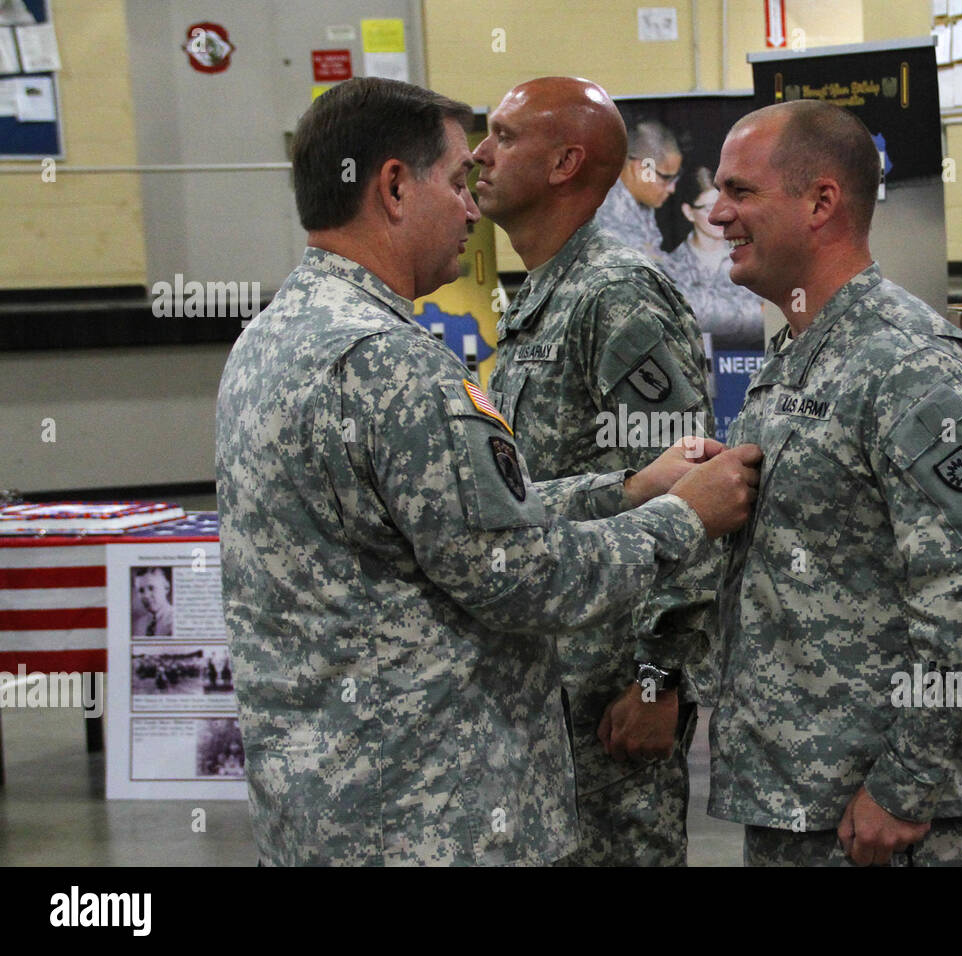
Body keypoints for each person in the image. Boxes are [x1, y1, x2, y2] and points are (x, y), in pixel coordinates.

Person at [215, 77, 760, 866]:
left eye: (498, 148)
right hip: (430, 803)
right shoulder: (393, 363)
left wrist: (631, 497)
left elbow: (457, 513)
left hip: (331, 790)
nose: (470, 201)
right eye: (455, 176)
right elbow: (513, 569)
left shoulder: (272, 337)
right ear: (394, 187)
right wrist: (681, 515)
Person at [705, 100, 962, 866]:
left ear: (822, 202)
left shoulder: (906, 362)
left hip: (888, 827)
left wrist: (905, 783)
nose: (719, 214)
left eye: (741, 192)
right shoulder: (796, 357)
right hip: (800, 807)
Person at [474, 76, 716, 867]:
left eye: (503, 137)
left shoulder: (617, 293)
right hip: (546, 679)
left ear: (565, 162)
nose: (479, 154)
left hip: (610, 690)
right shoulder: (545, 290)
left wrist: (659, 679)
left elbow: (693, 481)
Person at [662, 166, 767, 351]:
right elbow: (680, 323)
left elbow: (774, 318)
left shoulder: (751, 257)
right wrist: (755, 313)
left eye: (723, 205)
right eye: (709, 208)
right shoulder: (670, 267)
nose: (720, 216)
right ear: (688, 212)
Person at [593, 118, 681, 262]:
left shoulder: (641, 203)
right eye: (666, 178)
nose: (672, 188)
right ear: (640, 169)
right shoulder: (606, 207)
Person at [132, 566, 173, 637]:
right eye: (141, 590)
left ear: (166, 587)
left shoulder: (175, 621)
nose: (146, 596)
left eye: (151, 588)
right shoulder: (139, 624)